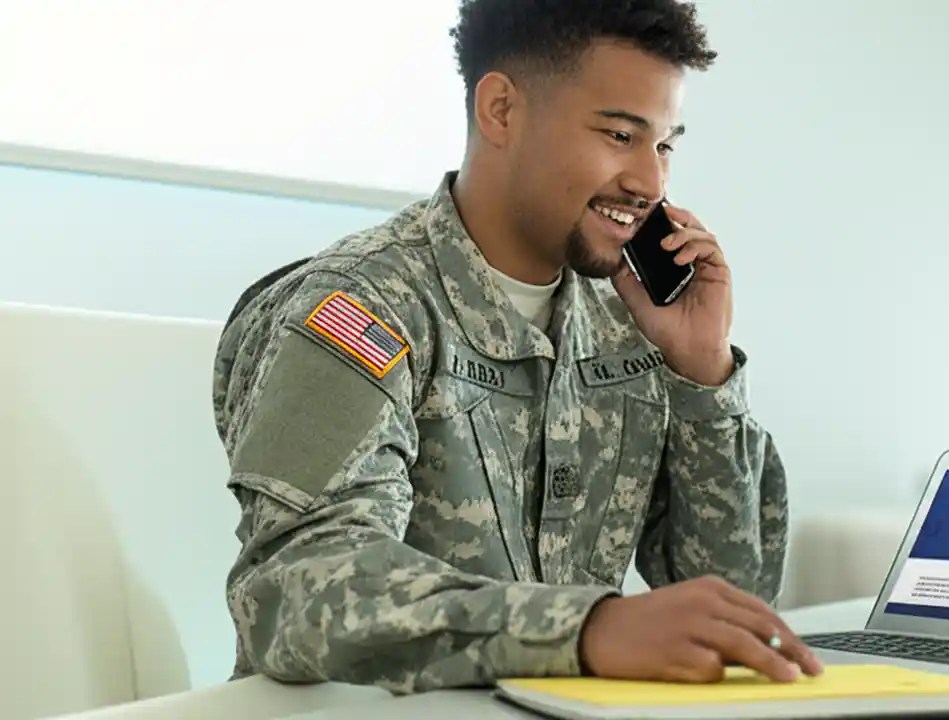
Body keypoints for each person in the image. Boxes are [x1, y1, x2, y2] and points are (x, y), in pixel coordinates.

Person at [211, 0, 821, 695]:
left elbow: (733, 603)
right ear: (500, 110)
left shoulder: (634, 323)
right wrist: (585, 631)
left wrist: (701, 373)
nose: (650, 183)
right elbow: (300, 588)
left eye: (664, 145)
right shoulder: (357, 309)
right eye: (620, 134)